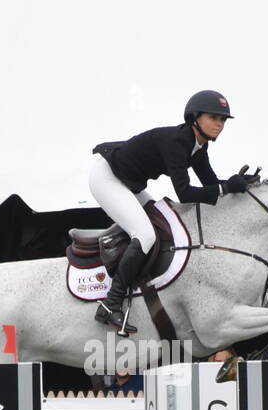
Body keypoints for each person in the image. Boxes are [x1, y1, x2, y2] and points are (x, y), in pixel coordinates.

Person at [89, 90, 259, 333]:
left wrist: (236, 184)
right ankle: (110, 303)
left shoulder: (198, 147)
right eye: (214, 118)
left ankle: (137, 289)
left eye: (223, 120)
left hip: (129, 183)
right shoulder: (177, 143)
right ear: (195, 118)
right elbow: (185, 193)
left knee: (161, 224)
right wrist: (225, 188)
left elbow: (211, 183)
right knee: (145, 235)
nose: (220, 124)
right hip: (107, 178)